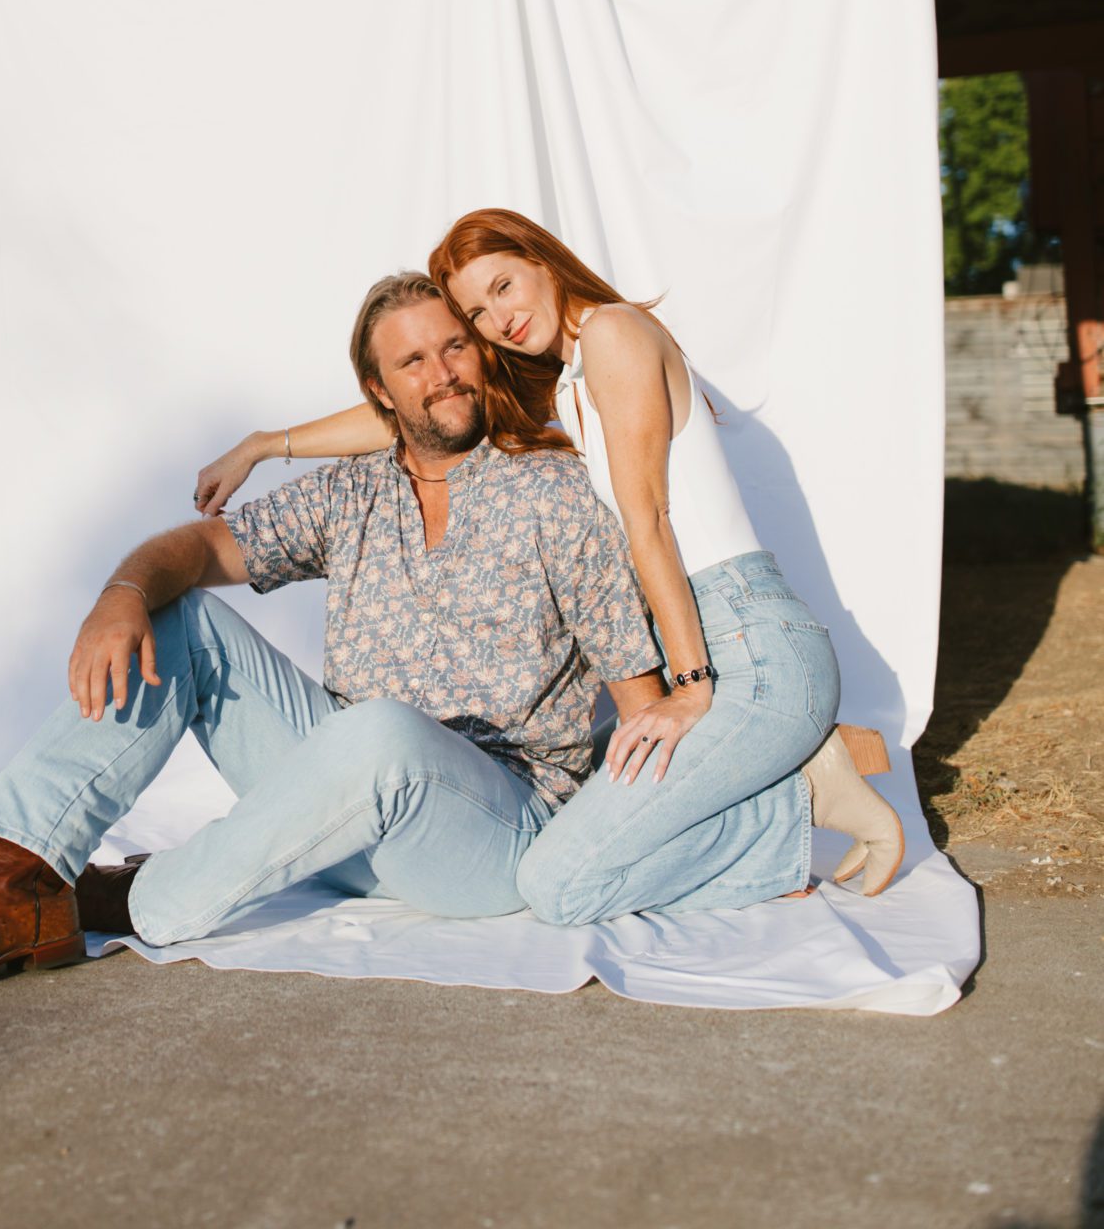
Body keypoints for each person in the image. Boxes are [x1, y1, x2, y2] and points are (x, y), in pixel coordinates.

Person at [0, 271, 665, 993]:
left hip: (488, 835)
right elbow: (205, 546)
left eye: (454, 346)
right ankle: (17, 882)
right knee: (187, 616)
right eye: (412, 361)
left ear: (481, 357)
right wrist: (122, 592)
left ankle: (142, 899)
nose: (443, 372)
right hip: (340, 814)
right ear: (378, 392)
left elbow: (642, 710)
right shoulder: (351, 491)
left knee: (381, 730)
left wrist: (711, 847)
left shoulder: (554, 493)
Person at [195, 209, 904, 924]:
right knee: (563, 847)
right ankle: (784, 773)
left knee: (560, 886)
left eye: (503, 286)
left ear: (542, 260)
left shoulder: (612, 334)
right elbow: (411, 406)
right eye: (477, 311)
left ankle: (795, 800)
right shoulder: (568, 376)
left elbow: (648, 521)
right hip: (700, 638)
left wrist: (688, 688)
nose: (498, 319)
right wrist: (262, 444)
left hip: (747, 646)